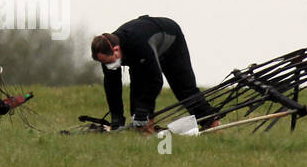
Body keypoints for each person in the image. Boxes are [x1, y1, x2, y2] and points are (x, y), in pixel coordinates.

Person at [91, 15, 219, 131]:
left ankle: (212, 124)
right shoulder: (106, 53)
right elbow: (112, 87)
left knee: (185, 90)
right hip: (143, 51)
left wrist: (143, 109)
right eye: (104, 63)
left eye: (109, 61)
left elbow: (155, 80)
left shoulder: (139, 45)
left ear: (116, 49)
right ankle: (145, 132)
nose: (108, 65)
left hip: (170, 43)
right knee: (137, 95)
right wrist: (116, 118)